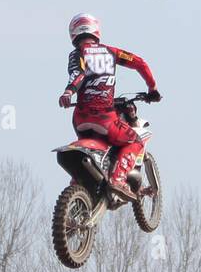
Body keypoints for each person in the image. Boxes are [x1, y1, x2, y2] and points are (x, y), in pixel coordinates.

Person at [58, 13, 160, 202]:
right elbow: (140, 63)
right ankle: (118, 179)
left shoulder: (77, 54)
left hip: (81, 119)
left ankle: (82, 185)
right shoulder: (111, 52)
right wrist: (152, 88)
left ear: (73, 33)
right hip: (105, 119)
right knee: (134, 141)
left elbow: (77, 75)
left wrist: (69, 93)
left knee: (97, 144)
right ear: (96, 30)